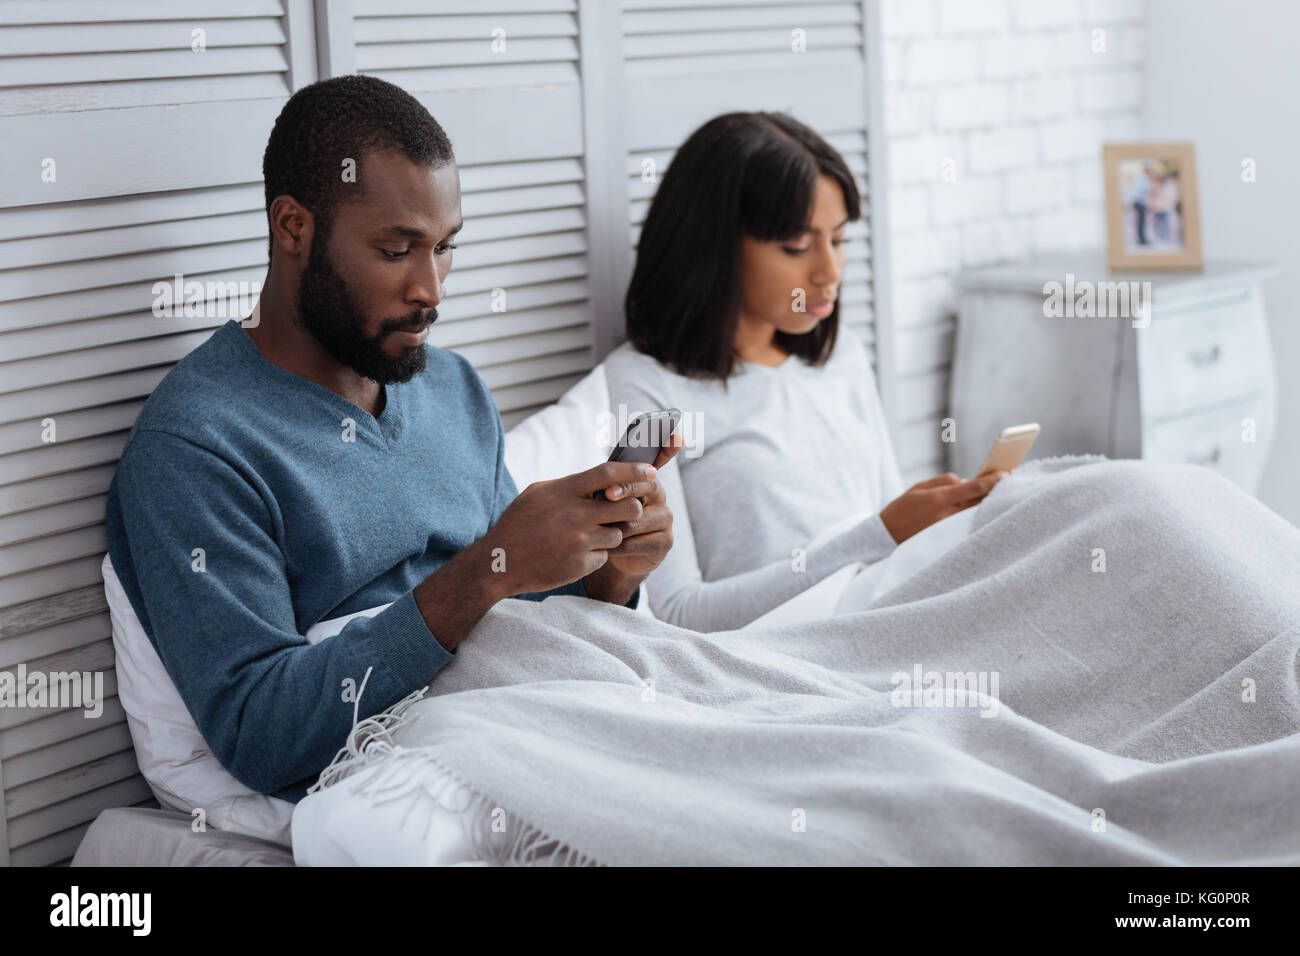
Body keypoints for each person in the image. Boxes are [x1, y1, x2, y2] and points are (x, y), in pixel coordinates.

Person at [104, 75, 682, 802]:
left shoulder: (452, 388)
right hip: (427, 768)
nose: (431, 290)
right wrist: (489, 569)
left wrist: (610, 574)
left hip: (548, 708)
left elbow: (523, 613)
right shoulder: (195, 448)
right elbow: (260, 729)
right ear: (293, 228)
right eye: (396, 249)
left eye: (444, 247)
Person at [604, 111, 1004, 632]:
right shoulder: (645, 386)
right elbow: (680, 612)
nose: (829, 273)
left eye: (838, 240)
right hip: (805, 644)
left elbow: (891, 532)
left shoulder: (841, 356)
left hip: (894, 608)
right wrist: (878, 534)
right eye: (796, 247)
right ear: (715, 246)